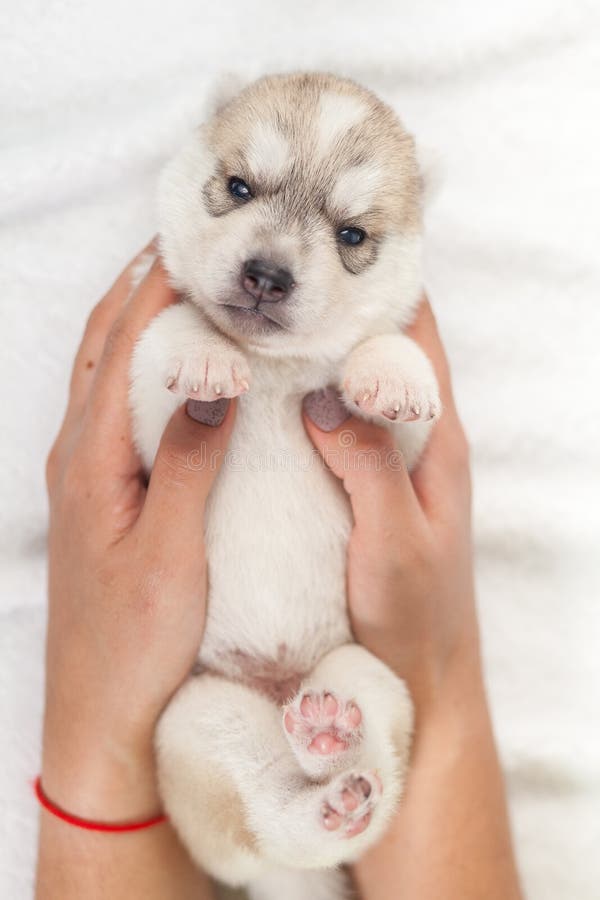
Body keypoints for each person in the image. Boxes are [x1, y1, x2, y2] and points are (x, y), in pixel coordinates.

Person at [35, 248, 523, 899]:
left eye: (349, 235)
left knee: (345, 696)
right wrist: (445, 669)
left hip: (309, 675)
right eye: (239, 188)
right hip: (245, 701)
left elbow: (399, 391)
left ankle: (312, 812)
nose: (274, 269)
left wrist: (91, 731)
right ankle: (311, 809)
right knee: (219, 728)